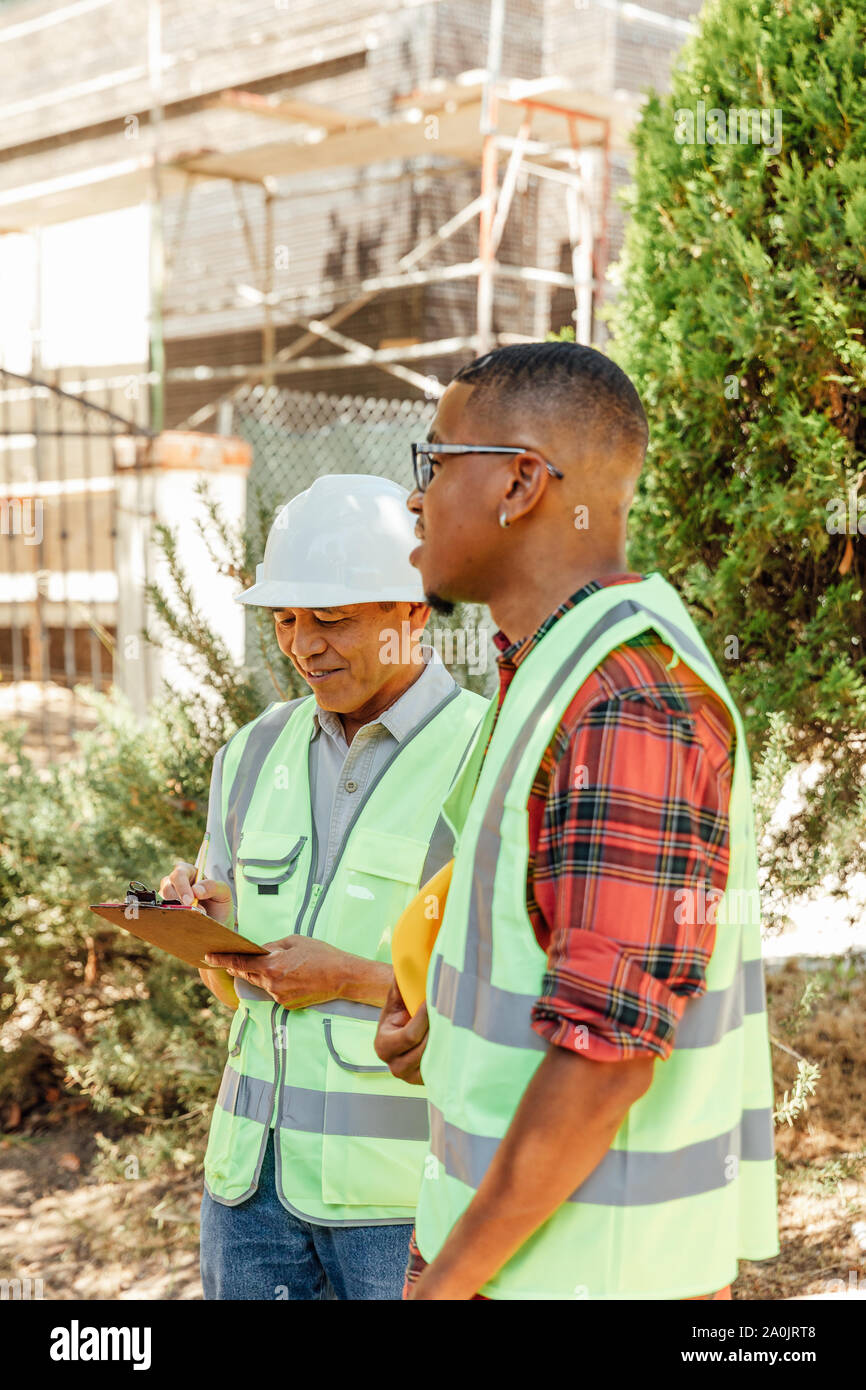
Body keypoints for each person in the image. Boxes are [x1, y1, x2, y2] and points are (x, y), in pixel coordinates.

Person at [375, 341, 779, 1300]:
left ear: (520, 483)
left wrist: (440, 1291)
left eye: (434, 461)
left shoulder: (625, 702)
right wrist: (446, 1032)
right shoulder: (551, 674)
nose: (416, 498)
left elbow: (605, 1061)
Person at [161, 474, 486, 1300]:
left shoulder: (491, 754)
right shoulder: (248, 753)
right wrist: (205, 932)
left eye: (332, 620)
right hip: (247, 1192)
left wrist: (351, 979)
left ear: (413, 613)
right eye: (287, 620)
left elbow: (521, 996)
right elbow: (236, 997)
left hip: (402, 1201)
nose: (305, 645)